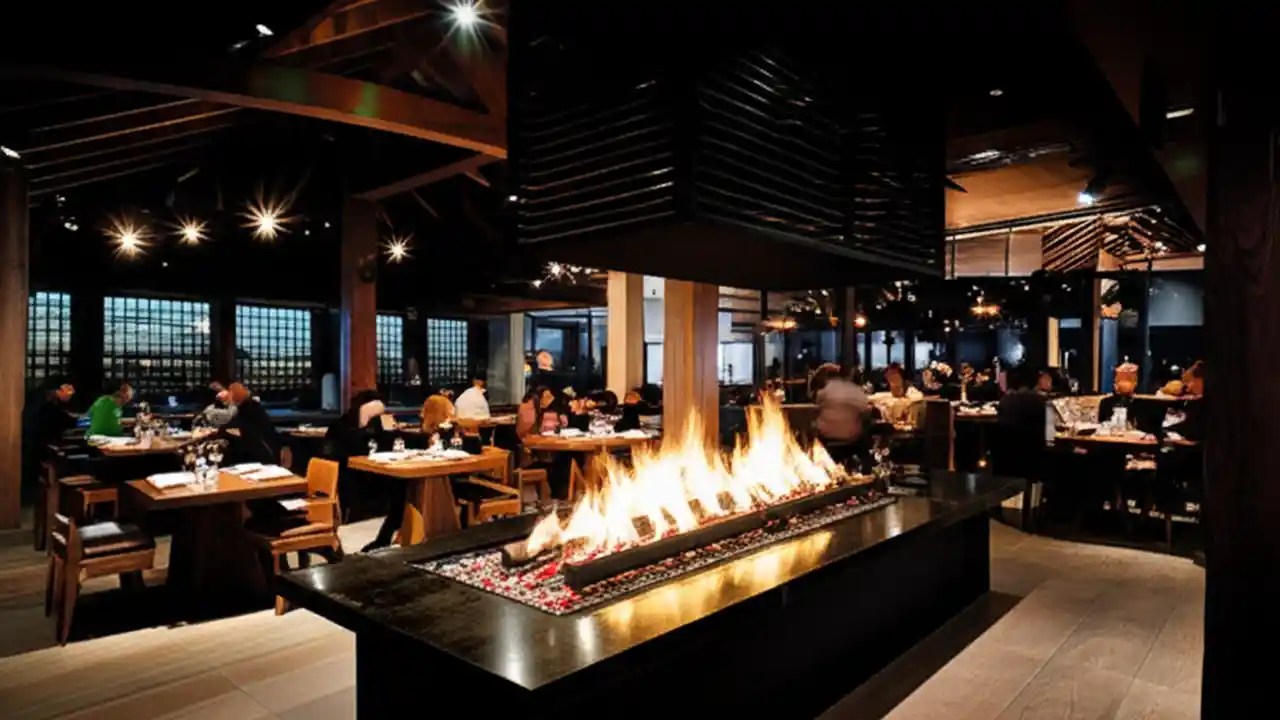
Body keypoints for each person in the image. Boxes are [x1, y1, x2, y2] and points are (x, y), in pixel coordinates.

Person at [22, 381, 78, 498]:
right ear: (60, 390)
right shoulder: (43, 401)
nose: (70, 396)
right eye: (68, 392)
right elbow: (57, 419)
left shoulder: (44, 398)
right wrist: (74, 421)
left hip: (36, 441)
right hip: (35, 443)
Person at [218, 382, 280, 465]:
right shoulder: (254, 407)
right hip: (264, 454)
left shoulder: (248, 411)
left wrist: (218, 431)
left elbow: (234, 427)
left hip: (259, 459)